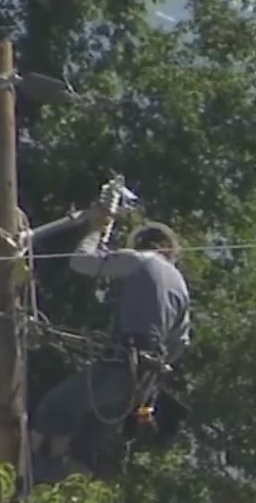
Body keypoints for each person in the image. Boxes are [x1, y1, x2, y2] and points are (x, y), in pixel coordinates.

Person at [29, 201, 192, 484]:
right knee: (88, 437)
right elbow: (180, 344)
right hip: (141, 383)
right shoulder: (181, 286)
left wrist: (96, 229)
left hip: (120, 365)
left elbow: (81, 262)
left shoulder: (140, 260)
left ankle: (33, 482)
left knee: (54, 410)